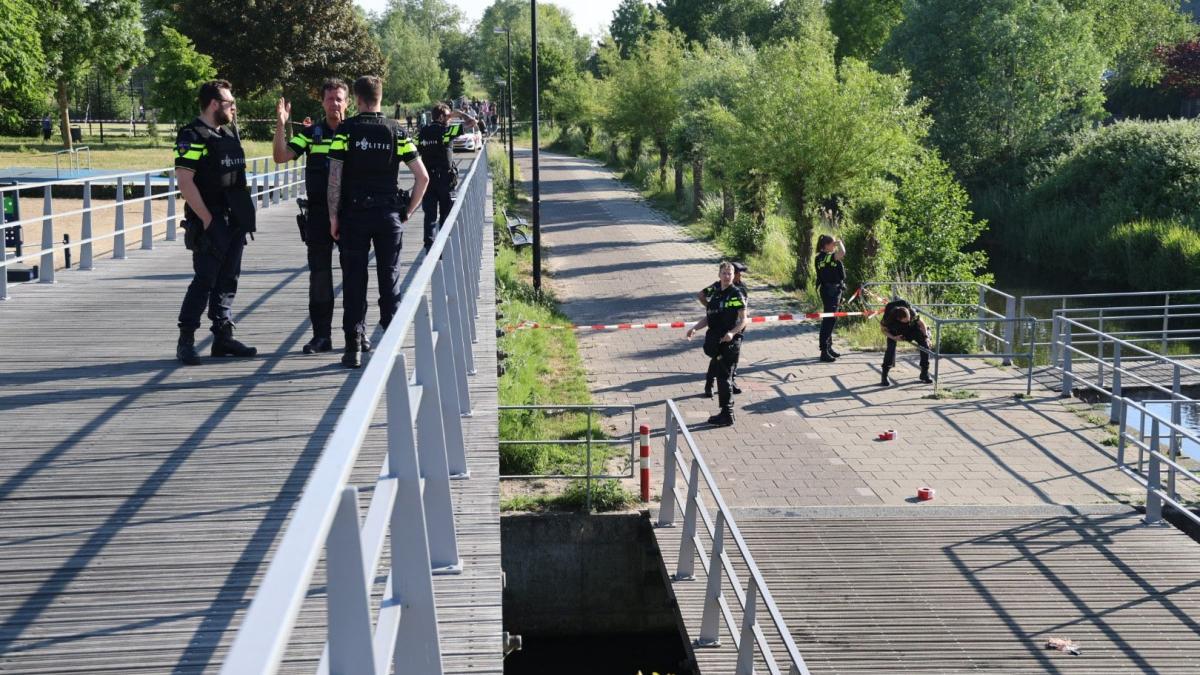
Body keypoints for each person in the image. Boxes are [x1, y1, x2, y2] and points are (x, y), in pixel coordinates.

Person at [328, 76, 429, 368]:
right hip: (388, 216)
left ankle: (353, 346)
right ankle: (390, 342)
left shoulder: (346, 130)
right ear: (380, 98)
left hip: (353, 216)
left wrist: (333, 216)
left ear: (357, 99)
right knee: (390, 278)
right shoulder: (397, 131)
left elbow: (334, 177)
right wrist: (408, 210)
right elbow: (423, 177)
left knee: (354, 279)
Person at [174, 79, 258, 365]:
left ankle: (223, 337)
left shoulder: (226, 134)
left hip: (234, 218)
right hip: (210, 220)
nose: (233, 107)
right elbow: (185, 182)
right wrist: (208, 221)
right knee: (205, 280)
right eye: (229, 103)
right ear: (213, 104)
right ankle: (186, 341)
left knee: (228, 279)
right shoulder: (192, 135)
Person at [274, 79, 359, 355]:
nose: (334, 103)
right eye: (330, 99)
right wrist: (281, 123)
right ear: (322, 102)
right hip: (319, 214)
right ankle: (321, 336)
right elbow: (280, 156)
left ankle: (356, 334)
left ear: (348, 102)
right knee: (320, 277)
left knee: (354, 276)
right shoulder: (311, 134)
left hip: (350, 213)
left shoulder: (356, 132)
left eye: (339, 99)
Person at [686, 262, 748, 427]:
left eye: (730, 273)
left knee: (724, 377)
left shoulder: (736, 293)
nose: (727, 276)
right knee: (721, 376)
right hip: (716, 339)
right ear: (719, 275)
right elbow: (710, 317)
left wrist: (732, 333)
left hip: (730, 341)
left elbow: (743, 320)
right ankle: (725, 413)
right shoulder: (715, 291)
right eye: (725, 273)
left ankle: (727, 414)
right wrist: (694, 328)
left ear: (734, 276)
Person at [417, 103, 477, 250]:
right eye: (448, 116)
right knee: (446, 215)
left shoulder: (422, 132)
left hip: (428, 180)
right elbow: (473, 122)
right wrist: (459, 114)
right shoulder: (446, 131)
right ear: (442, 116)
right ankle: (444, 248)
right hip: (445, 180)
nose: (450, 119)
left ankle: (429, 248)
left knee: (429, 217)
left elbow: (417, 150)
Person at [697, 261, 749, 397]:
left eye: (731, 274)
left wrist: (735, 330)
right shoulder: (717, 286)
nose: (740, 276)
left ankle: (730, 382)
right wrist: (711, 308)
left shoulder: (741, 288)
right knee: (717, 357)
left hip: (736, 327)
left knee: (733, 358)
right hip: (722, 328)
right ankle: (710, 383)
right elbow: (701, 295)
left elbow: (744, 313)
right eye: (739, 273)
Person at [880, 299, 934, 386]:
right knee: (890, 349)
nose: (908, 320)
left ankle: (924, 373)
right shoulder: (888, 318)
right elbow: (883, 330)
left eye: (909, 318)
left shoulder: (911, 312)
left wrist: (926, 337)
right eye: (906, 320)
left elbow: (921, 323)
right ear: (899, 319)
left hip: (911, 329)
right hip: (895, 332)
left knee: (925, 345)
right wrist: (894, 337)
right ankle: (884, 375)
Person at [814, 234, 846, 362]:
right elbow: (842, 253)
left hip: (830, 290)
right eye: (832, 244)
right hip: (831, 291)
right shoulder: (827, 257)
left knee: (831, 319)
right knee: (829, 320)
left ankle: (828, 347)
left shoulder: (820, 258)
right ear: (826, 245)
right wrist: (839, 243)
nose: (834, 246)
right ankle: (824, 351)